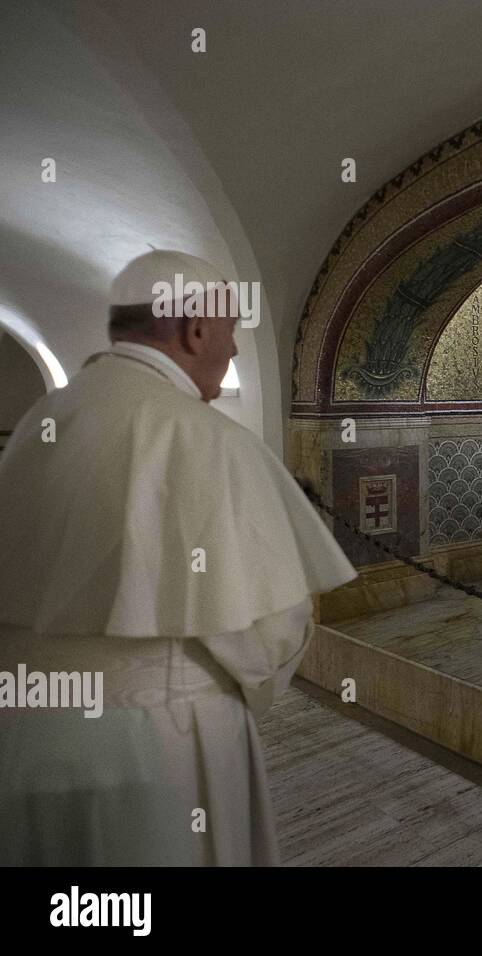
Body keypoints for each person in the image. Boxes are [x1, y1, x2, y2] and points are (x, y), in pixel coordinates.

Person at [0, 250, 356, 865]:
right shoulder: (206, 437)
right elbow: (266, 631)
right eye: (230, 332)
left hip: (21, 737)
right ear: (195, 329)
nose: (236, 352)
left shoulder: (42, 418)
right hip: (151, 743)